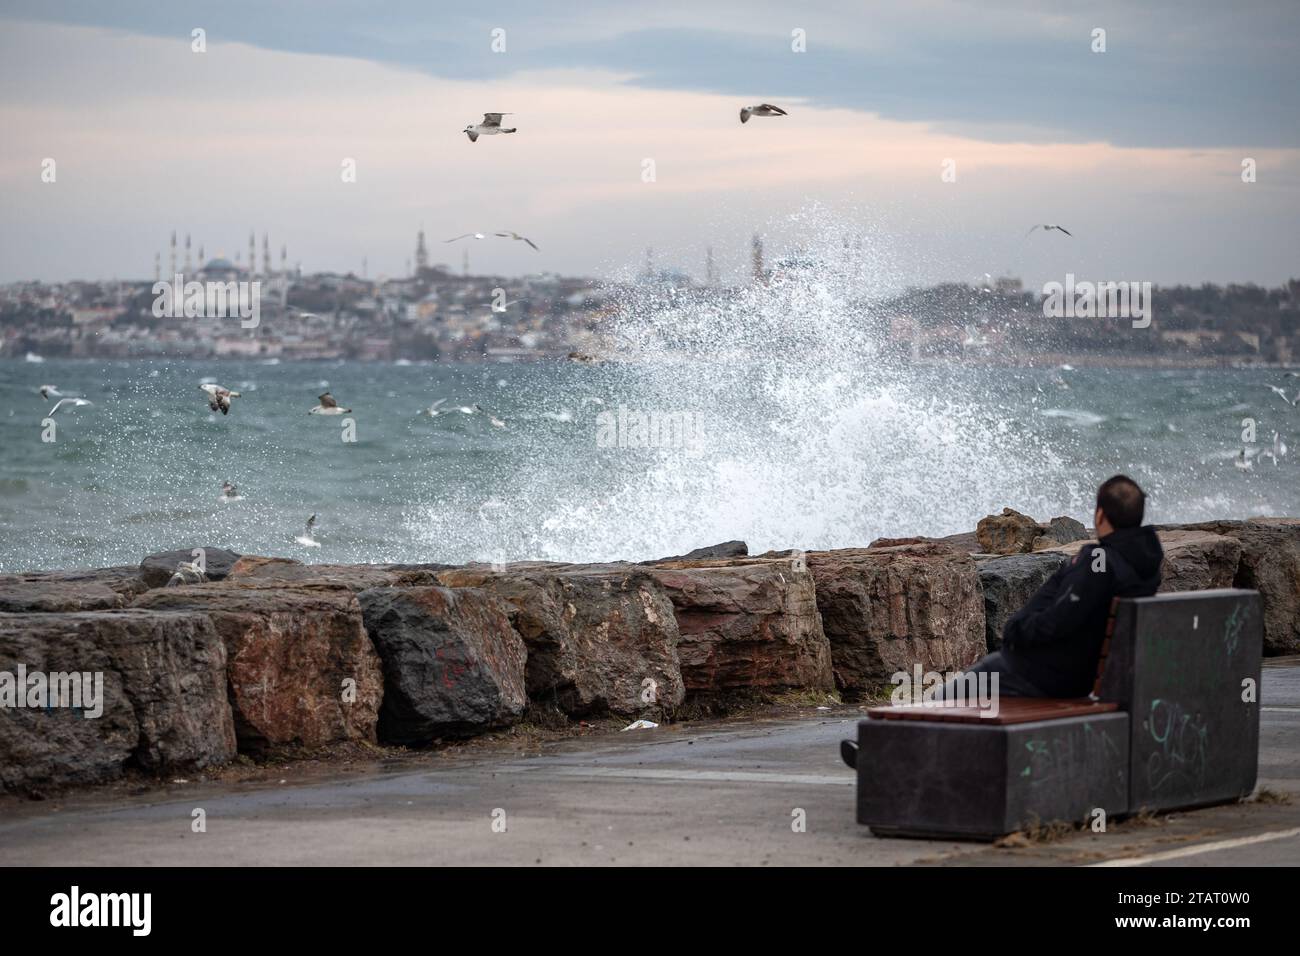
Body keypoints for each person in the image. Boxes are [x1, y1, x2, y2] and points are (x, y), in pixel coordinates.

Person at [934, 475, 1164, 702]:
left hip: (1041, 675)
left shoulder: (1099, 560)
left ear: (1100, 514)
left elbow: (1061, 618)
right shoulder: (1145, 565)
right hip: (1078, 676)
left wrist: (1017, 631)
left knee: (937, 701)